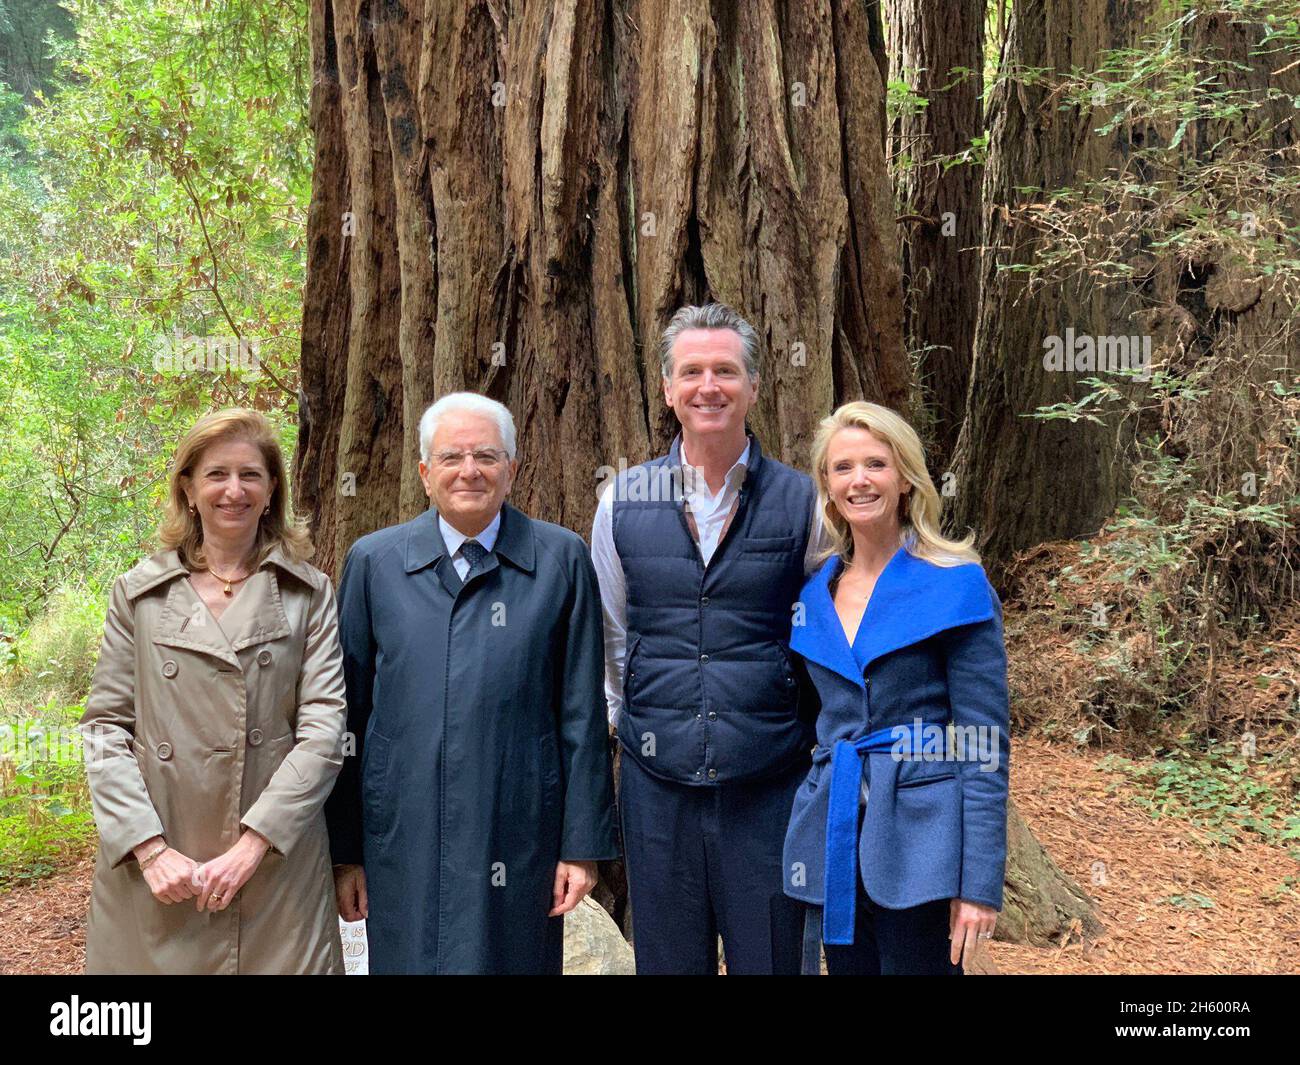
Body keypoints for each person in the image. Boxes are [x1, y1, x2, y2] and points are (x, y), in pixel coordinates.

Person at [326, 392, 618, 975]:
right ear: (424, 473)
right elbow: (347, 715)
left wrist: (580, 846)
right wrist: (345, 852)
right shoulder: (374, 563)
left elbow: (582, 711)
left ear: (512, 468)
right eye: (451, 457)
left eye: (486, 456)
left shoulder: (559, 558)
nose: (469, 471)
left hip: (517, 828)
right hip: (402, 832)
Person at [591, 302, 826, 974]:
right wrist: (631, 720)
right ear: (668, 389)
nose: (708, 386)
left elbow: (823, 638)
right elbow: (611, 631)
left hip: (770, 784)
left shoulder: (804, 504)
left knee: (775, 960)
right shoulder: (622, 502)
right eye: (691, 371)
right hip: (656, 786)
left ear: (753, 386)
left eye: (726, 370)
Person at [79, 408, 348, 974]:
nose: (234, 490)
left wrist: (254, 845)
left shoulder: (308, 593)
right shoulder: (138, 594)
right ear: (188, 488)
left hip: (275, 867)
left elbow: (324, 730)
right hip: (158, 869)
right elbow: (104, 730)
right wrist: (148, 849)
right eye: (216, 475)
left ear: (273, 488)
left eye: (251, 474)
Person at [781, 401, 1010, 975]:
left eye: (876, 464)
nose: (859, 480)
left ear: (905, 478)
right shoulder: (813, 596)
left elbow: (984, 744)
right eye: (843, 468)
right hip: (835, 836)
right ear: (828, 488)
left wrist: (978, 883)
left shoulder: (955, 583)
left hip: (923, 843)